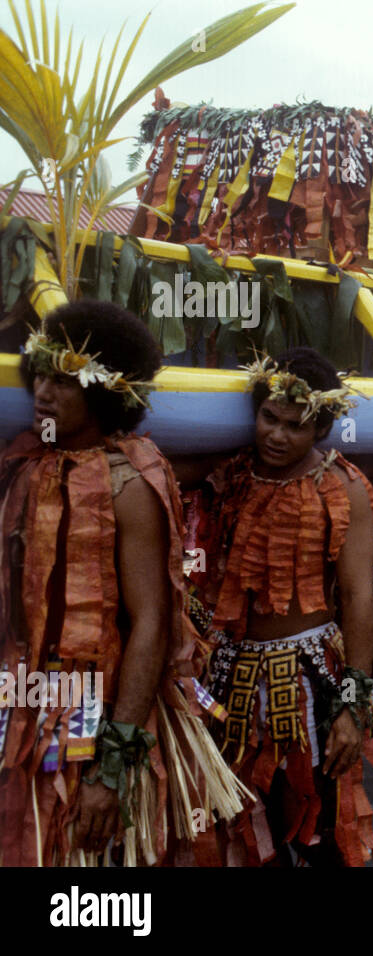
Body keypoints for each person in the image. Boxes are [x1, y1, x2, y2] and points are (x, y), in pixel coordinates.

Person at [0, 303, 246, 866]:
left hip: (93, 708)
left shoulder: (131, 481)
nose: (43, 391)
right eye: (40, 374)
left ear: (107, 392)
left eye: (64, 381)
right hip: (20, 701)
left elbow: (152, 623)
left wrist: (111, 765)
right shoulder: (22, 461)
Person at [182, 348, 373, 866]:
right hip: (229, 677)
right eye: (268, 418)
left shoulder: (344, 488)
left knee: (319, 827)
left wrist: (351, 701)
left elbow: (359, 597)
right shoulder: (229, 472)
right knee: (243, 827)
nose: (276, 435)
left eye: (294, 426)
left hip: (306, 679)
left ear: (320, 429)